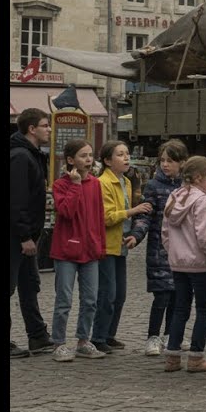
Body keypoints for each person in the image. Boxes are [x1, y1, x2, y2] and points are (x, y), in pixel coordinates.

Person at [48, 139, 107, 361]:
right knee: (64, 299)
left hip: (90, 251)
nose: (89, 159)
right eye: (83, 156)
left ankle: (84, 340)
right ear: (71, 160)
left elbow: (98, 217)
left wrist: (100, 245)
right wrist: (74, 185)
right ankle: (59, 343)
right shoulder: (60, 185)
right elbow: (66, 212)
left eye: (90, 155)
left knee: (90, 299)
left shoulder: (95, 184)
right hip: (65, 251)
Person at [162, 156, 206, 373]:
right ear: (198, 178)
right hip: (200, 264)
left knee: (180, 308)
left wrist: (174, 254)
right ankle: (196, 357)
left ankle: (172, 356)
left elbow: (166, 233)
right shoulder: (203, 201)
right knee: (205, 309)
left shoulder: (173, 197)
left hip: (179, 264)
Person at [92, 140, 153, 353]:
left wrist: (132, 234)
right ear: (108, 161)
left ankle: (109, 334)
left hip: (121, 245)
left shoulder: (126, 182)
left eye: (127, 153)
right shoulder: (102, 183)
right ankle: (98, 337)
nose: (126, 158)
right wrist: (132, 211)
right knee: (107, 294)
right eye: (120, 154)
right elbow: (106, 217)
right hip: (106, 246)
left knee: (120, 294)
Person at [130, 139, 187, 356]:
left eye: (170, 161)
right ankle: (152, 337)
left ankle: (171, 335)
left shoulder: (186, 186)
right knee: (161, 296)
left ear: (182, 163)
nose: (165, 165)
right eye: (162, 160)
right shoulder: (154, 186)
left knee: (177, 295)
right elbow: (145, 216)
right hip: (158, 250)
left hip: (181, 250)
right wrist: (136, 235)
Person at [9, 108, 55, 358]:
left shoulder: (33, 154)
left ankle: (37, 336)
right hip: (16, 236)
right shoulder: (20, 156)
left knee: (30, 285)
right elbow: (16, 201)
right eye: (45, 125)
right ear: (32, 129)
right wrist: (25, 236)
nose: (49, 129)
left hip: (27, 235)